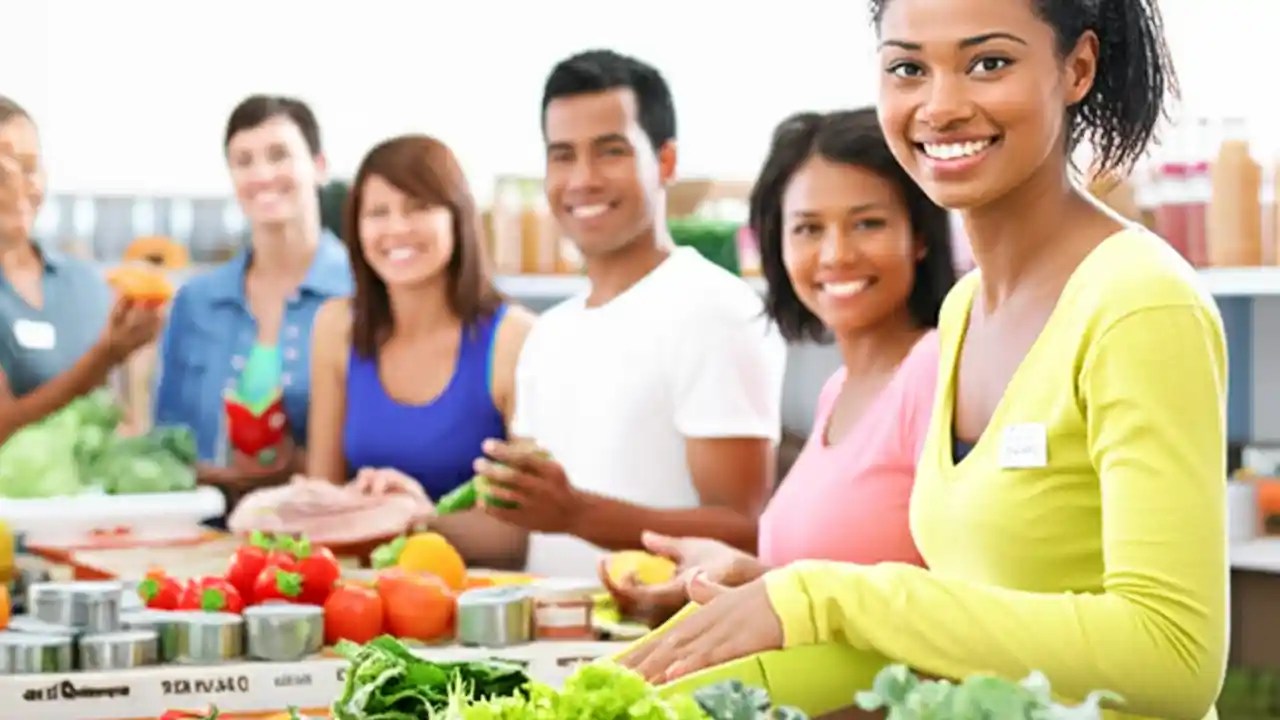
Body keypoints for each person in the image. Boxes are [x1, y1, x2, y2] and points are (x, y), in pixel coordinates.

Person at [620, 0, 1228, 718]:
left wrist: (830, 594)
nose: (940, 107)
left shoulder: (1139, 302)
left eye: (988, 63)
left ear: (1078, 67)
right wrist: (775, 598)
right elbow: (972, 625)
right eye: (908, 68)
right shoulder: (965, 310)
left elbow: (1174, 658)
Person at [602, 108, 955, 625]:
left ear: (919, 235)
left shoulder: (937, 368)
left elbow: (957, 602)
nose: (836, 254)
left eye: (867, 224)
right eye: (808, 228)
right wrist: (734, 572)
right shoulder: (839, 390)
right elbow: (823, 590)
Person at [473, 49, 788, 577]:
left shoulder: (718, 313)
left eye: (611, 151)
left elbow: (749, 531)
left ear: (665, 162)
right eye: (563, 155)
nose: (582, 179)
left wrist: (578, 514)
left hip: (671, 647)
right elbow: (528, 529)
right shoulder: (548, 334)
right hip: (553, 643)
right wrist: (409, 518)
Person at [307, 134, 534, 567]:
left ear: (458, 218)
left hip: (482, 600)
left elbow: (527, 534)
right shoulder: (336, 327)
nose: (397, 228)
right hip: (369, 596)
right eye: (378, 212)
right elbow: (324, 502)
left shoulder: (514, 339)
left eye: (419, 207)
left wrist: (415, 519)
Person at [154, 95, 353, 483]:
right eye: (243, 161)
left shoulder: (362, 294)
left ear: (319, 167)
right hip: (208, 532)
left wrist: (291, 467)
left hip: (325, 530)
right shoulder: (196, 303)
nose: (262, 175)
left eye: (279, 155)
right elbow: (168, 442)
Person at [0, 96, 161, 445]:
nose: (19, 187)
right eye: (2, 173)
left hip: (88, 499)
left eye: (29, 168)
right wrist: (104, 357)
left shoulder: (85, 283)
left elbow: (111, 413)